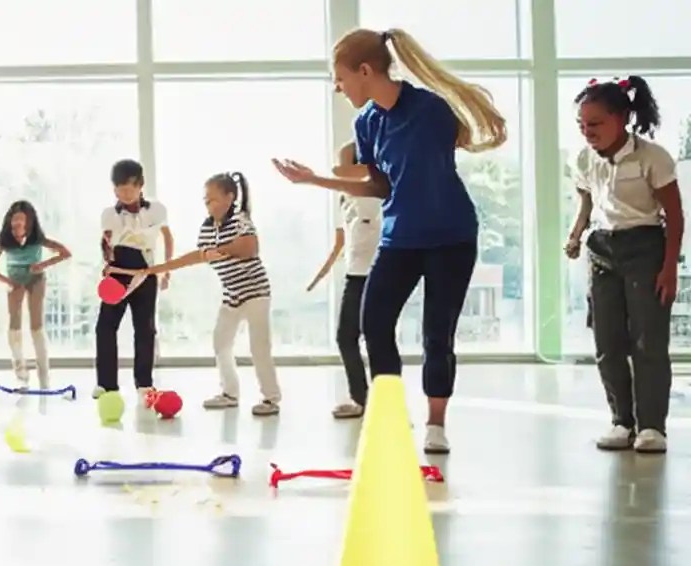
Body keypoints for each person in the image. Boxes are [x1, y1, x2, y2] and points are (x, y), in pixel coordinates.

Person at [272, 27, 508, 453]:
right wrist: (314, 180)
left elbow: (439, 155)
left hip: (450, 236)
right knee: (373, 324)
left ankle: (436, 425)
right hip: (400, 237)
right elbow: (381, 186)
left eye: (340, 78)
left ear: (365, 70)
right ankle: (391, 414)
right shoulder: (366, 123)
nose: (337, 87)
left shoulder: (431, 109)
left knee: (437, 333)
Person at [565, 76, 683, 453]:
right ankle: (622, 421)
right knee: (608, 342)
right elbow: (586, 202)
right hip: (602, 248)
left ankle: (652, 427)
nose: (588, 132)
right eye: (582, 125)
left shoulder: (652, 157)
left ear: (622, 118)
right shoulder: (583, 159)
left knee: (648, 341)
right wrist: (575, 233)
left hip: (645, 246)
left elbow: (676, 217)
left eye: (595, 124)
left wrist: (669, 269)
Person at [108, 172, 281, 416]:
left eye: (213, 199)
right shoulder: (207, 228)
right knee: (221, 344)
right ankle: (230, 393)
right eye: (205, 200)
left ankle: (270, 398)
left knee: (259, 347)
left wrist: (216, 251)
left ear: (230, 198)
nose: (208, 205)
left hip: (256, 292)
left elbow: (251, 247)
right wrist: (150, 270)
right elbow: (194, 257)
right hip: (231, 295)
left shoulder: (241, 219)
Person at [305, 141, 383, 419]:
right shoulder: (343, 199)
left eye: (344, 163)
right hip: (355, 274)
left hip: (380, 272)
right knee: (346, 337)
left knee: (377, 339)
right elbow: (341, 243)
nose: (339, 170)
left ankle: (385, 404)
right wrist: (321, 274)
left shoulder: (377, 190)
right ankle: (361, 399)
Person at [94, 159, 174, 399]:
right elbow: (106, 241)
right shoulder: (109, 214)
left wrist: (166, 269)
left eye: (130, 187)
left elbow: (167, 238)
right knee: (105, 327)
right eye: (119, 188)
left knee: (145, 328)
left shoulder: (157, 210)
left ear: (141, 186)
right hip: (117, 273)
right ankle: (106, 384)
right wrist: (106, 263)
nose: (125, 193)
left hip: (145, 273)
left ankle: (144, 383)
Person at [0, 200, 72, 389]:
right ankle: (21, 371)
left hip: (35, 280)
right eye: (14, 221)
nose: (17, 226)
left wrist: (42, 265)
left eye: (21, 221)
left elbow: (65, 252)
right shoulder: (4, 242)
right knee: (14, 326)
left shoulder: (37, 240)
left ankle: (43, 373)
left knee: (36, 326)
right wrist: (10, 283)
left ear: (29, 223)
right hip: (15, 281)